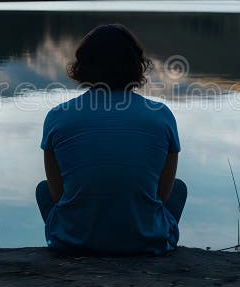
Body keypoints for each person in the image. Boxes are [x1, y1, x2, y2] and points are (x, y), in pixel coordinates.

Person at [36, 23, 187, 255]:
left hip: (73, 244)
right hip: (146, 243)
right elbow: (161, 196)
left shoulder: (57, 117)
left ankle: (74, 236)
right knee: (178, 189)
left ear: (83, 66)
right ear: (137, 66)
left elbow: (58, 196)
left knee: (43, 191)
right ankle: (148, 236)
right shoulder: (162, 116)